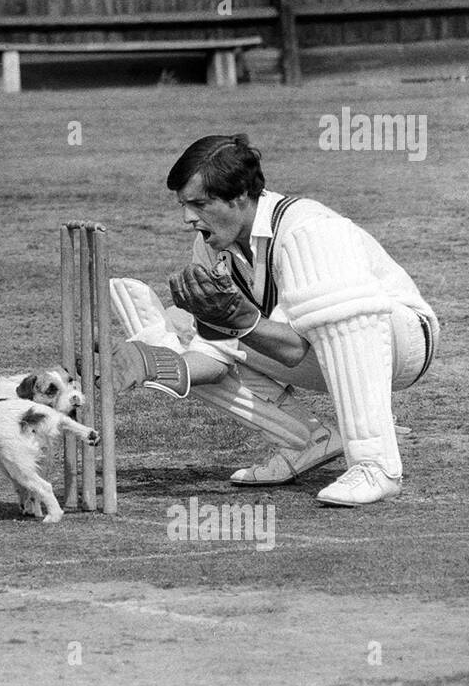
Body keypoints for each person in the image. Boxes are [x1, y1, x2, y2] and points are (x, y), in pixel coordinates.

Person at [110, 134, 438, 506]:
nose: (188, 218)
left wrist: (241, 321)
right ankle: (305, 441)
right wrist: (153, 363)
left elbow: (294, 349)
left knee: (336, 310)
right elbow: (215, 359)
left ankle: (375, 464)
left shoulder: (307, 227)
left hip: (399, 342)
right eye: (184, 205)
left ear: (239, 196)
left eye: (199, 204)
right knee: (181, 331)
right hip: (319, 353)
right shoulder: (210, 246)